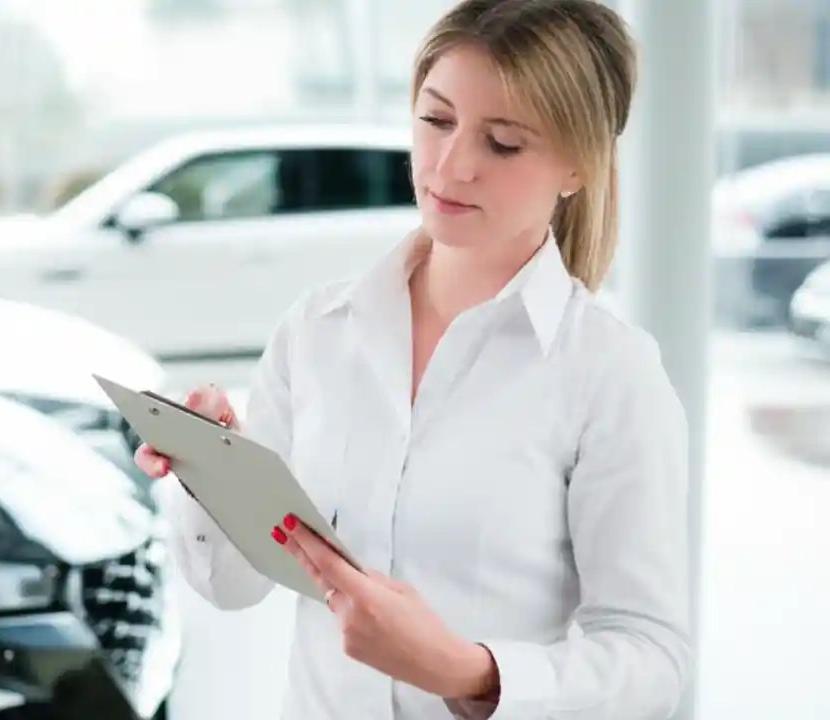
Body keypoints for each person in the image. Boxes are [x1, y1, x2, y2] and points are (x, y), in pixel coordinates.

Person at [135, 1, 693, 718]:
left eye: (503, 142)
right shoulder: (316, 334)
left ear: (578, 167)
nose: (451, 164)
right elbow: (232, 586)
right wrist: (210, 471)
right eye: (436, 121)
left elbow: (651, 658)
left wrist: (466, 672)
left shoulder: (610, 374)